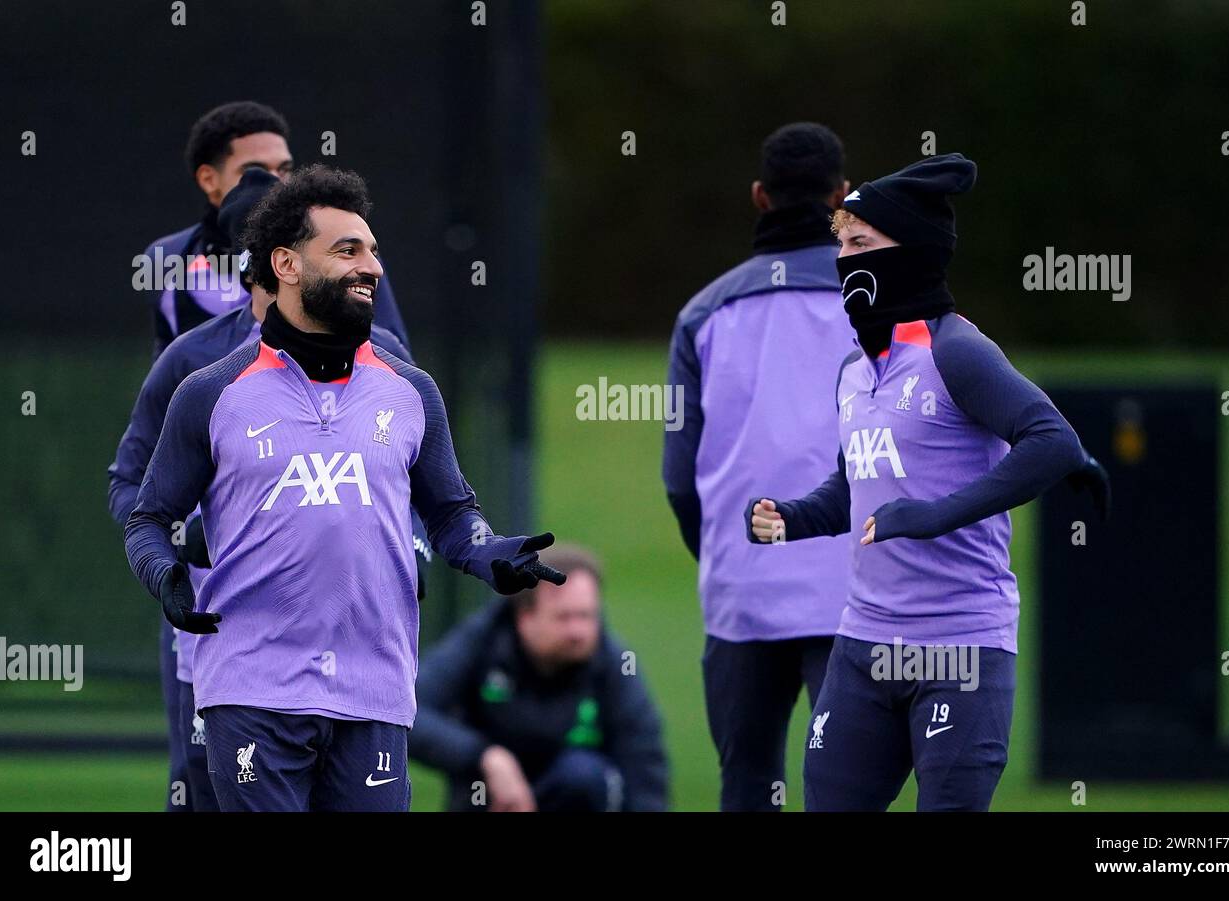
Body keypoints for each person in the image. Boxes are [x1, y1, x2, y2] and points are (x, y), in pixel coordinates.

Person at [124, 165, 562, 812]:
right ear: (287, 264)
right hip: (251, 688)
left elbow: (450, 513)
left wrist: (490, 550)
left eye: (374, 251)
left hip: (375, 690)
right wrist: (164, 572)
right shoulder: (209, 390)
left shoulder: (412, 388)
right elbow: (147, 518)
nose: (372, 267)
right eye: (347, 250)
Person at [748, 153, 1110, 811]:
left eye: (861, 243)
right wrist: (791, 515)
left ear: (911, 251)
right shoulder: (854, 370)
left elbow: (1052, 440)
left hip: (962, 651)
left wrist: (934, 513)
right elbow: (852, 491)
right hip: (862, 648)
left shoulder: (957, 352)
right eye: (840, 244)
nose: (844, 260)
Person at [108, 166, 422, 811]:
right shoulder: (196, 365)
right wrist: (182, 551)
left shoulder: (379, 351)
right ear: (269, 265)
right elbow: (133, 488)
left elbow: (402, 463)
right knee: (198, 788)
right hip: (221, 633)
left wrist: (416, 542)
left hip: (356, 656)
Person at [662, 122, 855, 810]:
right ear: (843, 195)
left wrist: (720, 554)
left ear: (758, 197)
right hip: (855, 586)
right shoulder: (882, 304)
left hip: (743, 587)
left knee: (748, 786)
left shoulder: (702, 313)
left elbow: (679, 479)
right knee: (848, 790)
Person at [408, 545, 668, 812]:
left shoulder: (615, 663)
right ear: (524, 617)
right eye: (564, 617)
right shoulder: (483, 641)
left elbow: (643, 763)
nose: (578, 631)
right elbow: (411, 710)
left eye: (587, 616)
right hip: (492, 801)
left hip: (577, 796)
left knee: (583, 776)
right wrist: (485, 756)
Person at [142, 100, 408, 357]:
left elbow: (391, 360)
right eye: (254, 170)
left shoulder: (344, 254)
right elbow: (167, 376)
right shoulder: (168, 257)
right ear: (209, 179)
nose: (273, 183)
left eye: (284, 169)